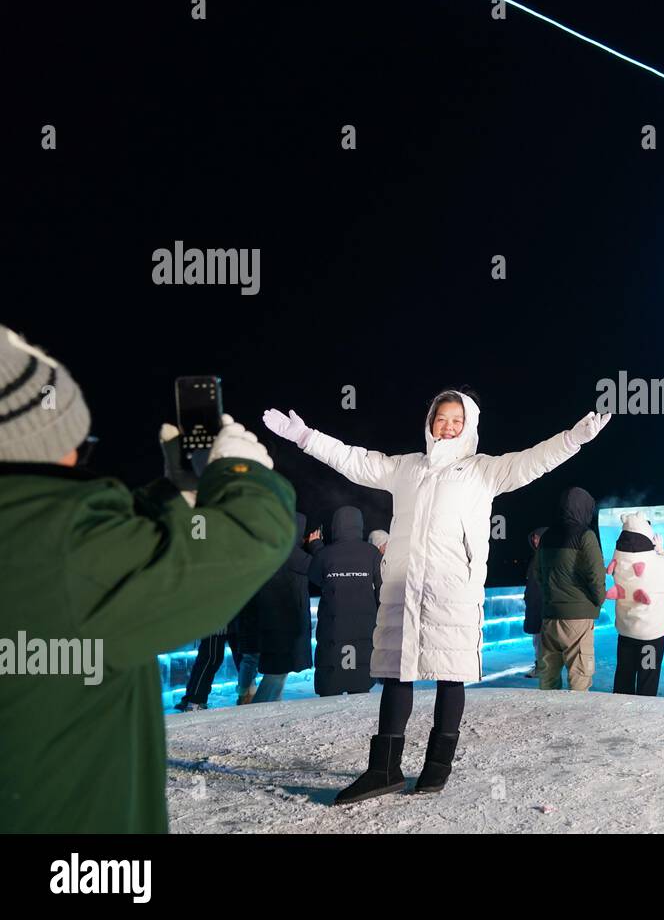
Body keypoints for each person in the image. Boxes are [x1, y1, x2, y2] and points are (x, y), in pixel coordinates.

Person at [0, 325, 296, 833]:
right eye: (77, 448)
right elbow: (252, 533)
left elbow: (99, 554)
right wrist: (242, 474)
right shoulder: (61, 552)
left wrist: (175, 494)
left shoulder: (43, 543)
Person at [262, 391, 609, 804]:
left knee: (450, 675)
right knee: (395, 673)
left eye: (456, 420)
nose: (447, 425)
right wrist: (305, 436)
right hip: (403, 588)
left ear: (469, 425)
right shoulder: (407, 468)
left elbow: (534, 460)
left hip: (452, 590)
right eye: (441, 418)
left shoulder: (483, 471)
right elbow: (353, 460)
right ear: (429, 421)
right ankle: (383, 769)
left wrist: (574, 438)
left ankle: (437, 765)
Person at [608, 512, 664, 697]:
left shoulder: (619, 561)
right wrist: (662, 551)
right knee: (647, 674)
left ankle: (619, 707)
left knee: (624, 674)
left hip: (626, 632)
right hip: (650, 636)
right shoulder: (655, 564)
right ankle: (644, 709)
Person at [308, 505, 382, 697]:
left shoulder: (325, 554)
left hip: (334, 625)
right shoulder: (371, 553)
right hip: (363, 625)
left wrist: (316, 547)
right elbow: (380, 586)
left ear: (335, 526)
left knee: (332, 672)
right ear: (359, 525)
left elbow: (315, 578)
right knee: (359, 676)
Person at [537, 487, 607, 691]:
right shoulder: (585, 535)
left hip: (550, 616)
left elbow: (538, 573)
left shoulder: (548, 535)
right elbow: (596, 574)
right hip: (578, 617)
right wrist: (598, 599)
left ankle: (547, 718)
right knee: (579, 675)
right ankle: (575, 721)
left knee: (548, 676)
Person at [245, 512, 314, 703]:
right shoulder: (293, 554)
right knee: (276, 675)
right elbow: (319, 568)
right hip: (285, 626)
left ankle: (268, 707)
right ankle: (257, 711)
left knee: (277, 674)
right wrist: (315, 545)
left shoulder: (273, 551)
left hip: (273, 624)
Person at [522, 526, 547, 678]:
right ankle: (541, 666)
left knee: (544, 640)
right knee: (538, 640)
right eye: (534, 538)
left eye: (538, 538)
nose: (535, 540)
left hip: (543, 606)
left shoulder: (547, 558)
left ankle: (544, 668)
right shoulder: (536, 557)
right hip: (534, 605)